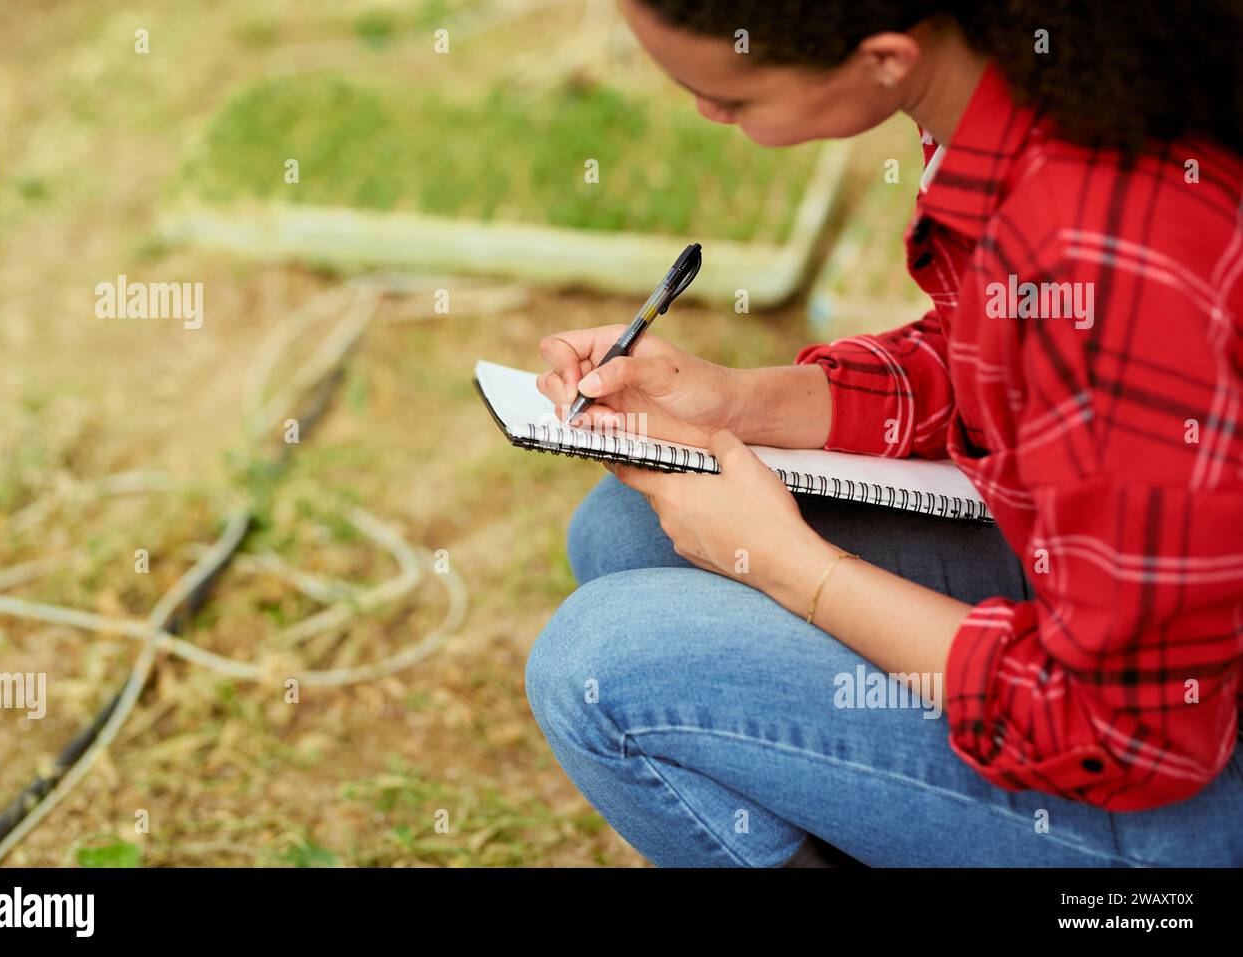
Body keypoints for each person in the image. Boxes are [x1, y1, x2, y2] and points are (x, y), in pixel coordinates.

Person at [524, 0, 1243, 867]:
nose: (706, 114)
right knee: (625, 530)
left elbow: (1130, 732)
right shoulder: (1036, 82)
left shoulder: (1104, 252)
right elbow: (1000, 352)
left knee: (597, 667)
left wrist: (790, 563)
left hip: (1174, 759)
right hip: (1153, 610)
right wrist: (738, 399)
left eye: (733, 97)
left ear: (887, 57)